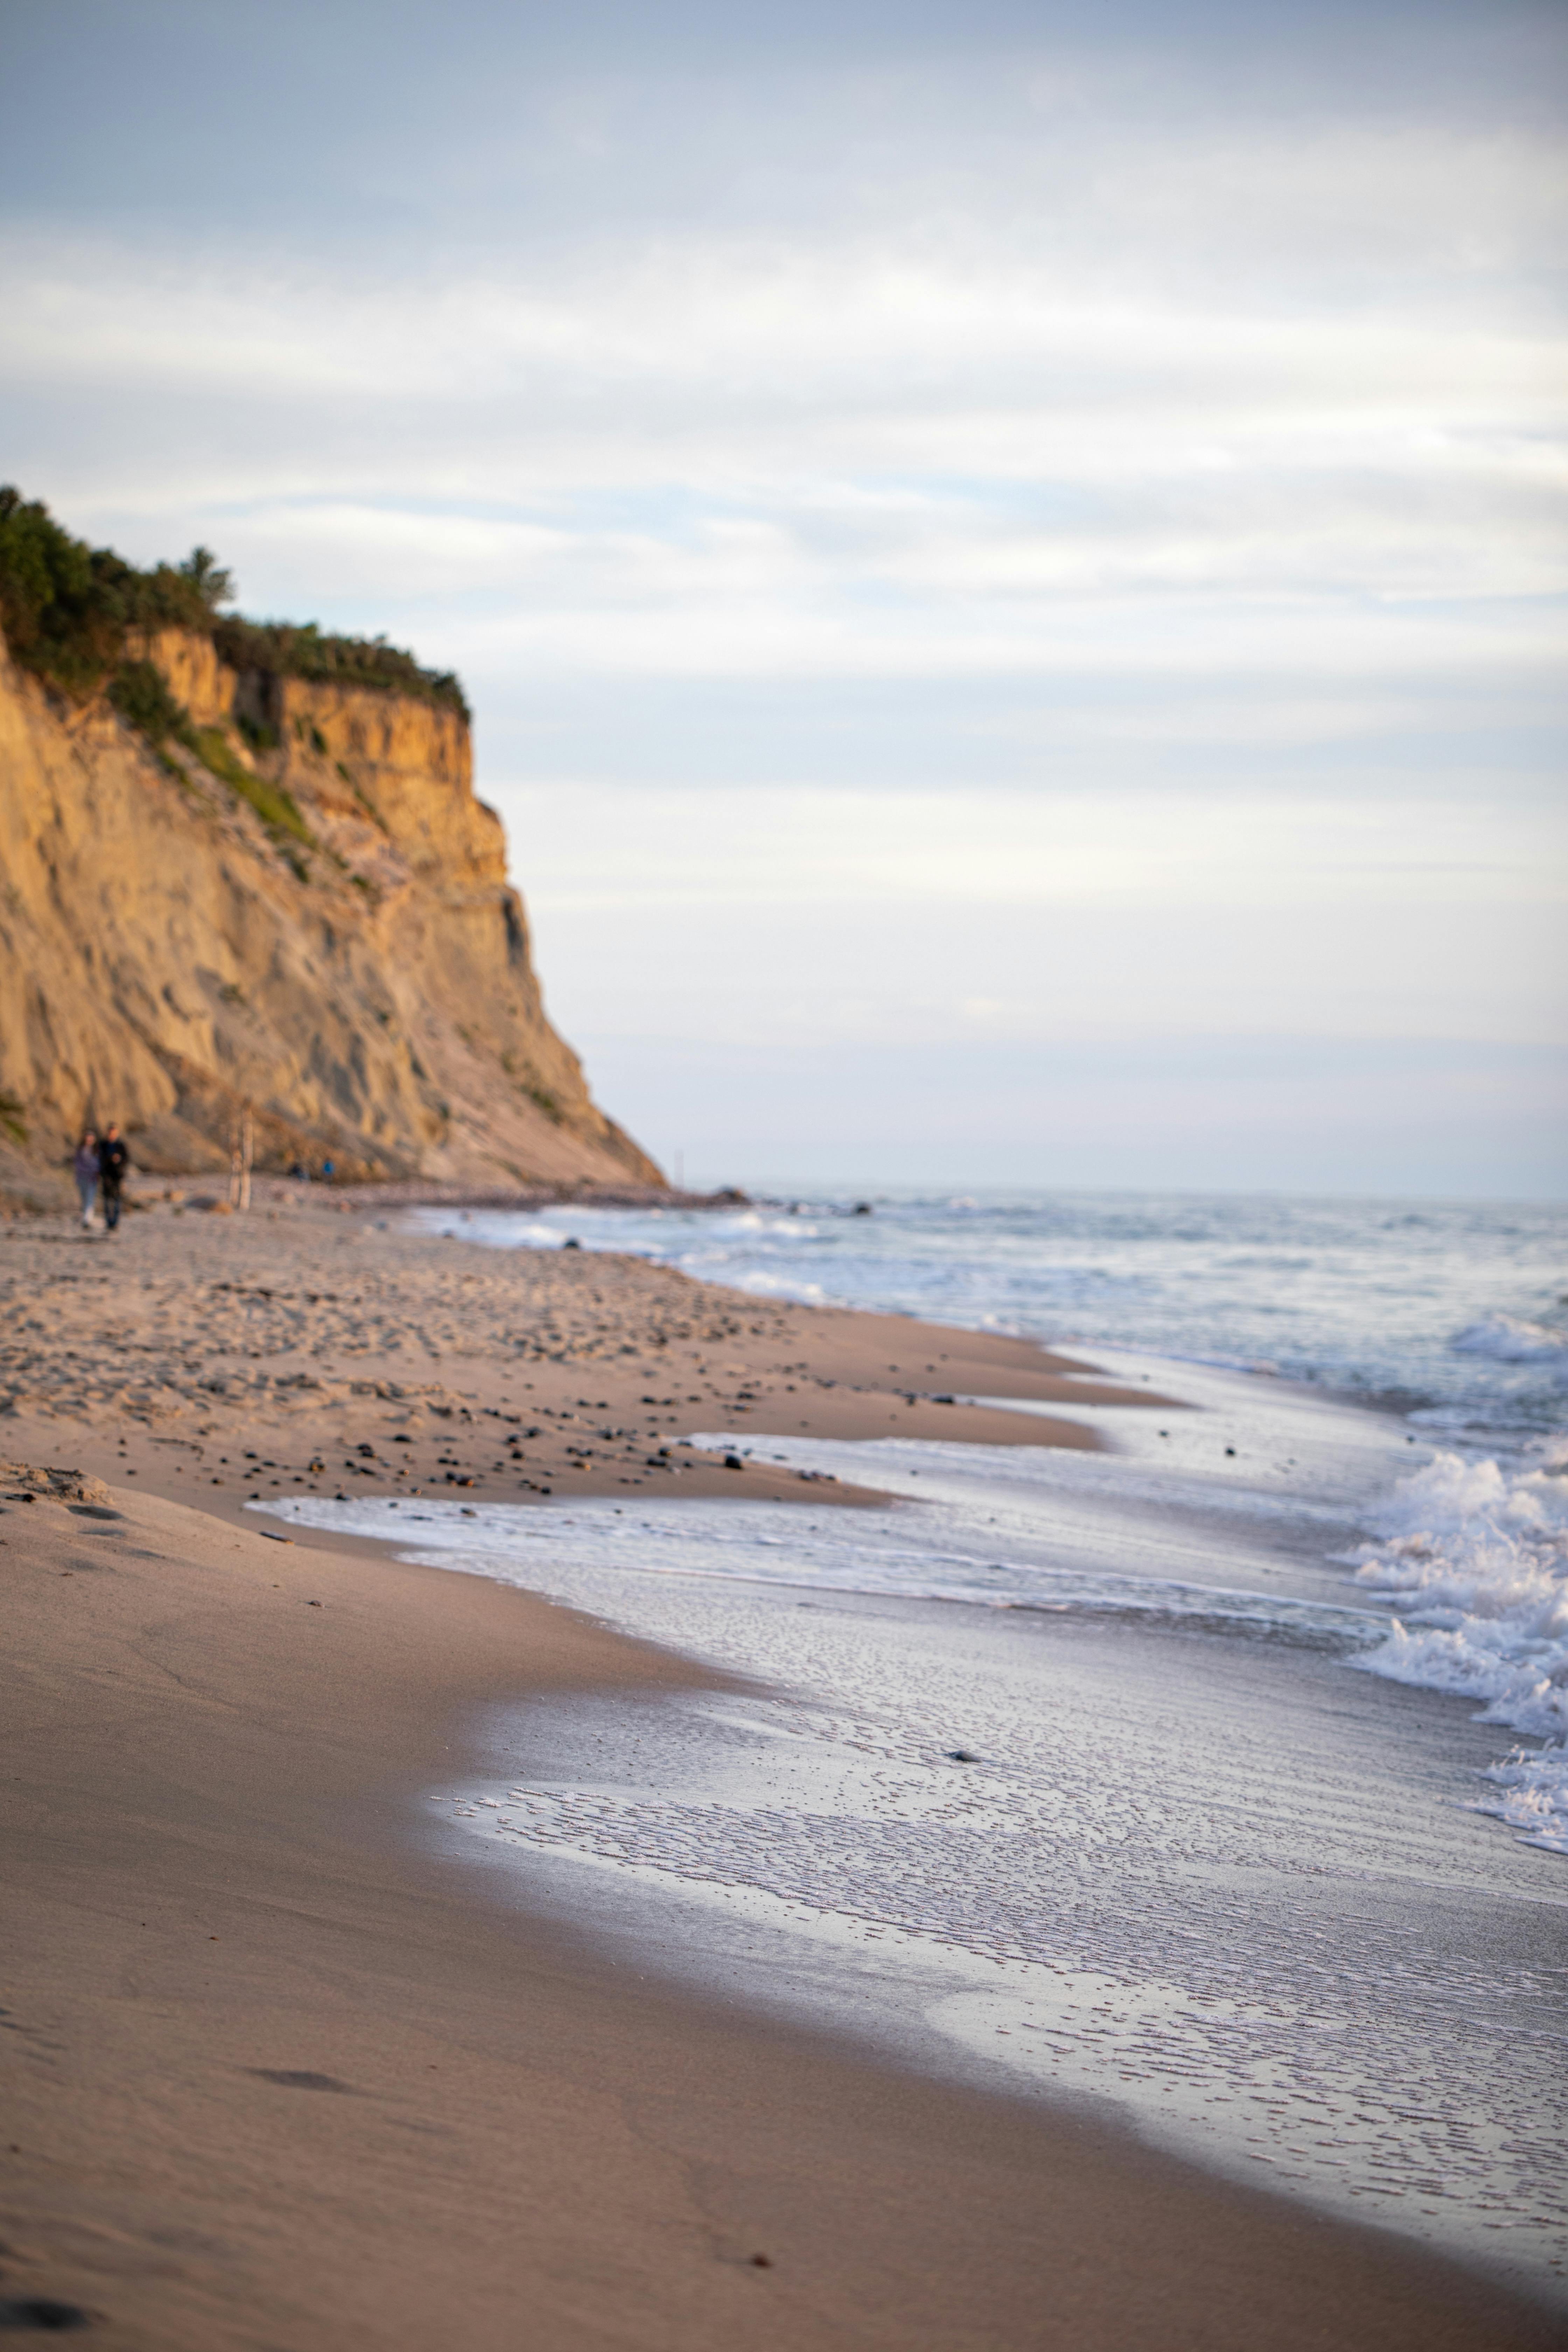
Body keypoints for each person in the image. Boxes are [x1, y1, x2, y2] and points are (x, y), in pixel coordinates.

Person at [97, 1124, 129, 1232]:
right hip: (107, 1175)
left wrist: (119, 1160)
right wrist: (110, 1159)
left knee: (117, 1199)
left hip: (118, 1176)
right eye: (111, 1133)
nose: (112, 1135)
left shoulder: (121, 1145)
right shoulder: (103, 1145)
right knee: (107, 1200)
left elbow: (126, 1159)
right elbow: (100, 1159)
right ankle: (109, 1222)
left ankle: (115, 1222)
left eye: (114, 1133)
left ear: (117, 1133)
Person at [73, 1128, 99, 1227]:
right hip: (82, 1178)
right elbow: (78, 1163)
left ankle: (88, 1219)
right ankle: (85, 1216)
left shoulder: (96, 1151)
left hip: (92, 1178)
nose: (89, 1140)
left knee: (90, 1198)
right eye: (88, 1138)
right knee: (84, 1198)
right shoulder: (81, 1150)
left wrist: (95, 1172)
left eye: (91, 1138)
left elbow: (98, 1164)